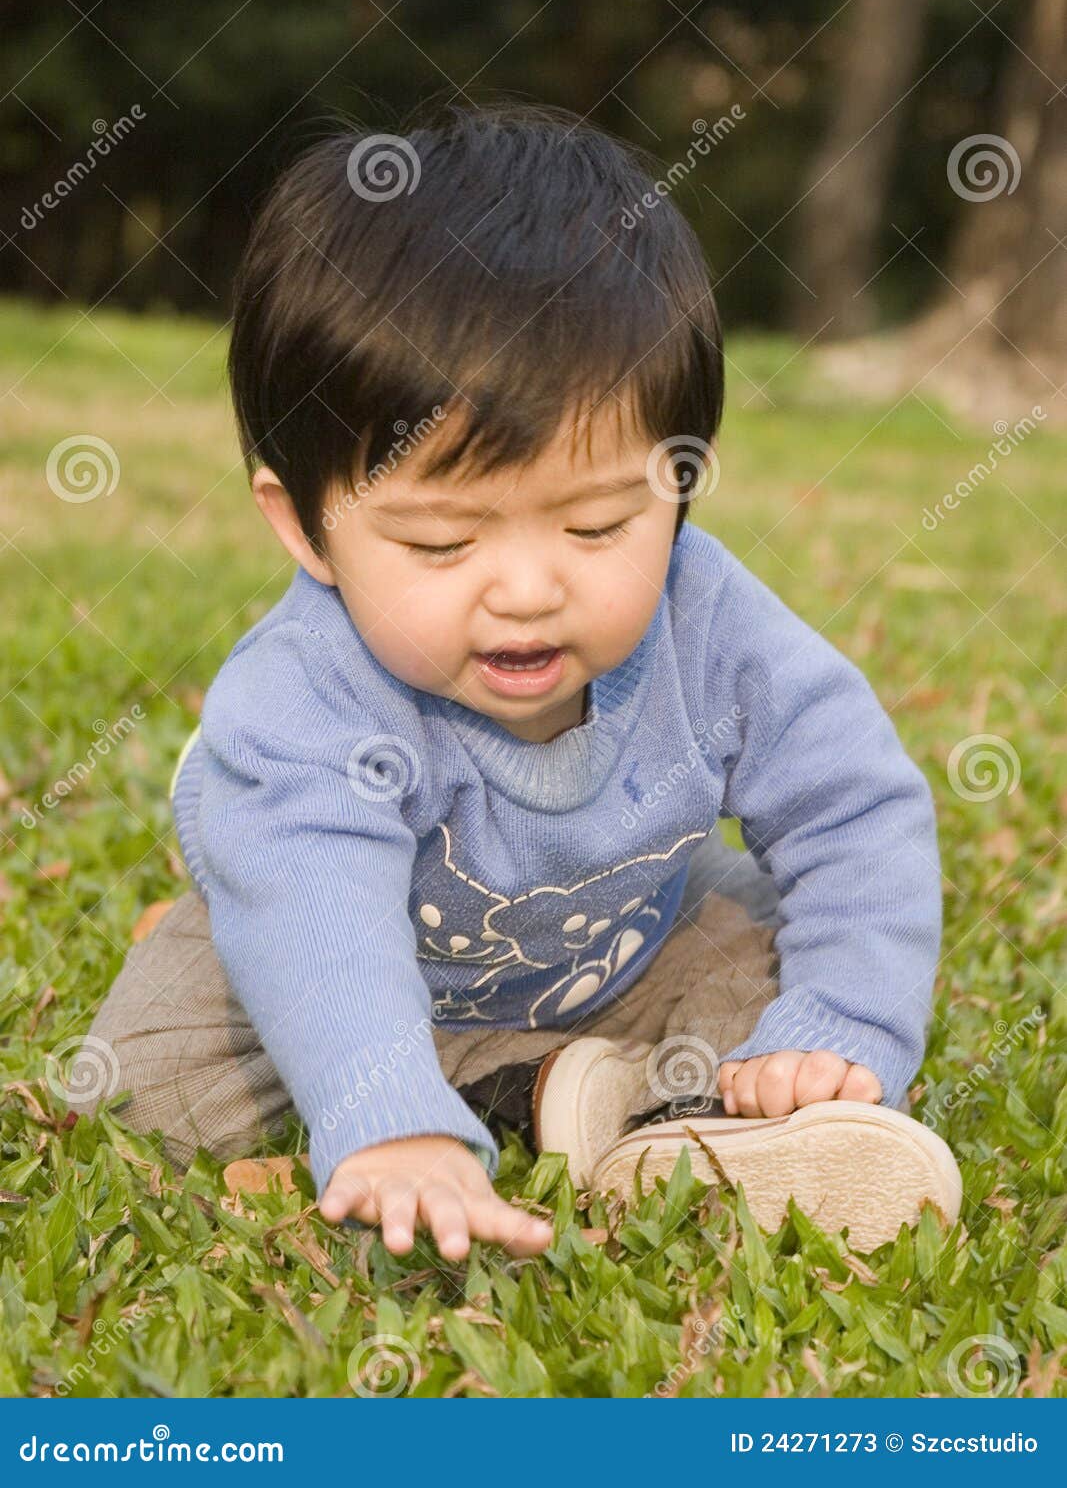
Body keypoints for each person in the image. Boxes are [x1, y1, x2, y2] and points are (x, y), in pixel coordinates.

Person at [75, 101, 961, 1261]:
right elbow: (318, 907)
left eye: (596, 527)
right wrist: (386, 1118)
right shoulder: (305, 698)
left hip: (623, 944)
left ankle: (632, 1098)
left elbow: (853, 805)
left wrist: (836, 1020)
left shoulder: (711, 623)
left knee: (769, 955)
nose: (528, 590)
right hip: (343, 939)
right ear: (303, 528)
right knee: (144, 1082)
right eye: (443, 544)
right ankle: (546, 1093)